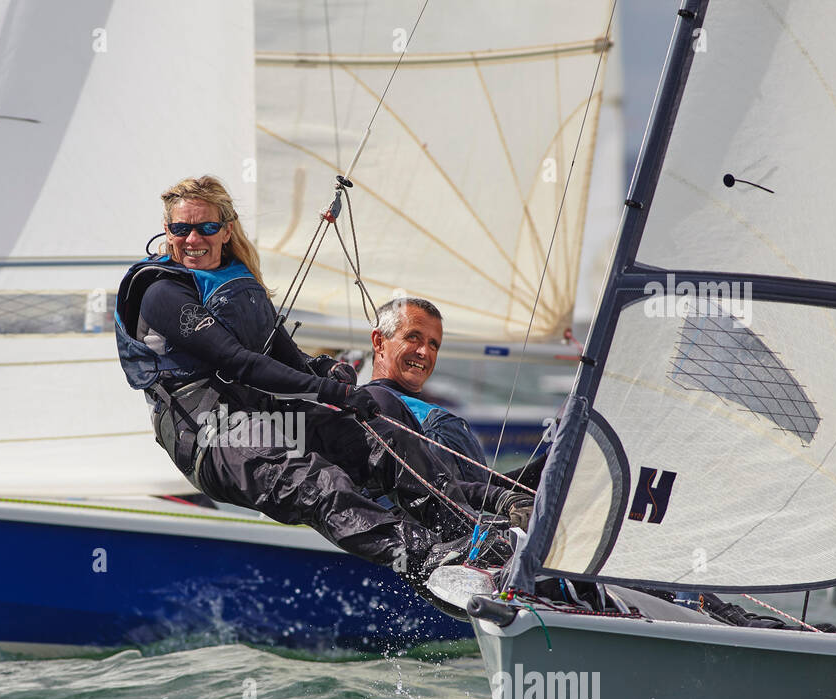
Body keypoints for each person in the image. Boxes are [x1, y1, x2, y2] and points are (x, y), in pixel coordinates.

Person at [113, 175, 531, 591]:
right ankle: (427, 560)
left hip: (261, 418)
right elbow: (236, 362)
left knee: (384, 438)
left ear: (226, 229)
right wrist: (334, 393)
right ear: (167, 232)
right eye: (180, 229)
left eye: (205, 227)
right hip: (211, 435)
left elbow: (286, 358)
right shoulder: (161, 292)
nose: (192, 239)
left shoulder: (240, 285)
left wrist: (326, 374)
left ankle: (474, 536)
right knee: (318, 483)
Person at [362, 297, 543, 526]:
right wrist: (499, 498)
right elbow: (421, 489)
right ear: (379, 341)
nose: (424, 352)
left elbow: (469, 490)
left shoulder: (411, 408)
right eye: (413, 337)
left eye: (433, 344)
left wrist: (550, 465)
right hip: (417, 549)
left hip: (456, 543)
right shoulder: (376, 404)